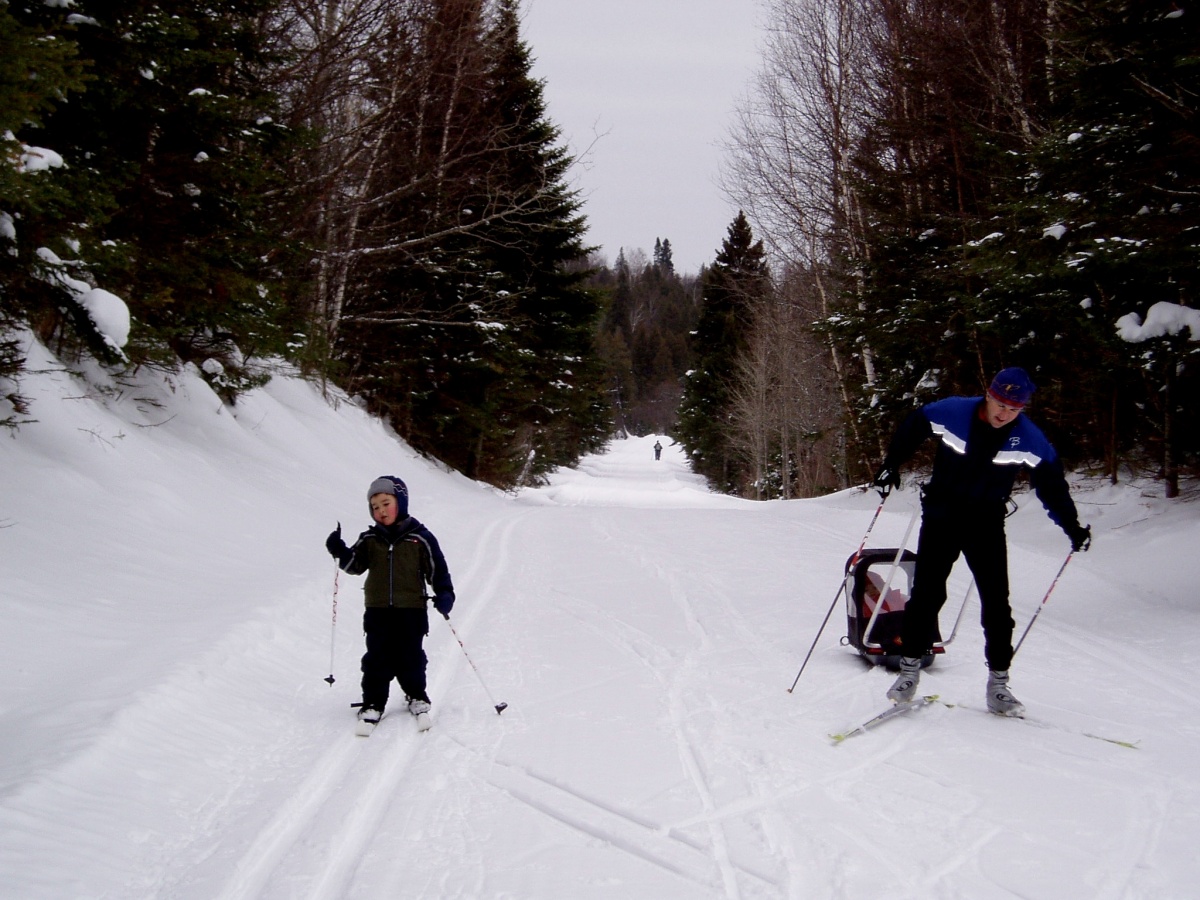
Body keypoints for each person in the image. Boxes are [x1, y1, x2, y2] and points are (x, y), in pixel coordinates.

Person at [872, 367, 1091, 716]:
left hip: (985, 522)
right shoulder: (953, 411)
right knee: (928, 594)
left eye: (1014, 408)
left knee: (996, 602)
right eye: (1001, 403)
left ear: (1022, 409)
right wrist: (891, 464)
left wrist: (1072, 528)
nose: (1004, 413)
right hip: (942, 515)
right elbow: (914, 425)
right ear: (988, 395)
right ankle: (909, 672)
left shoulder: (1029, 438)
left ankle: (999, 685)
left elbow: (1052, 486)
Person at [325, 475, 455, 729]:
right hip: (377, 610)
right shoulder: (370, 539)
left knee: (411, 656)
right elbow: (355, 566)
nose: (381, 511)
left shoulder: (421, 538)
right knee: (377, 657)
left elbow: (437, 570)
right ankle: (373, 702)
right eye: (375, 507)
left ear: (402, 502)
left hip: (412, 610)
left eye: (386, 503)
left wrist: (444, 593)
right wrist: (339, 550)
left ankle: (416, 695)